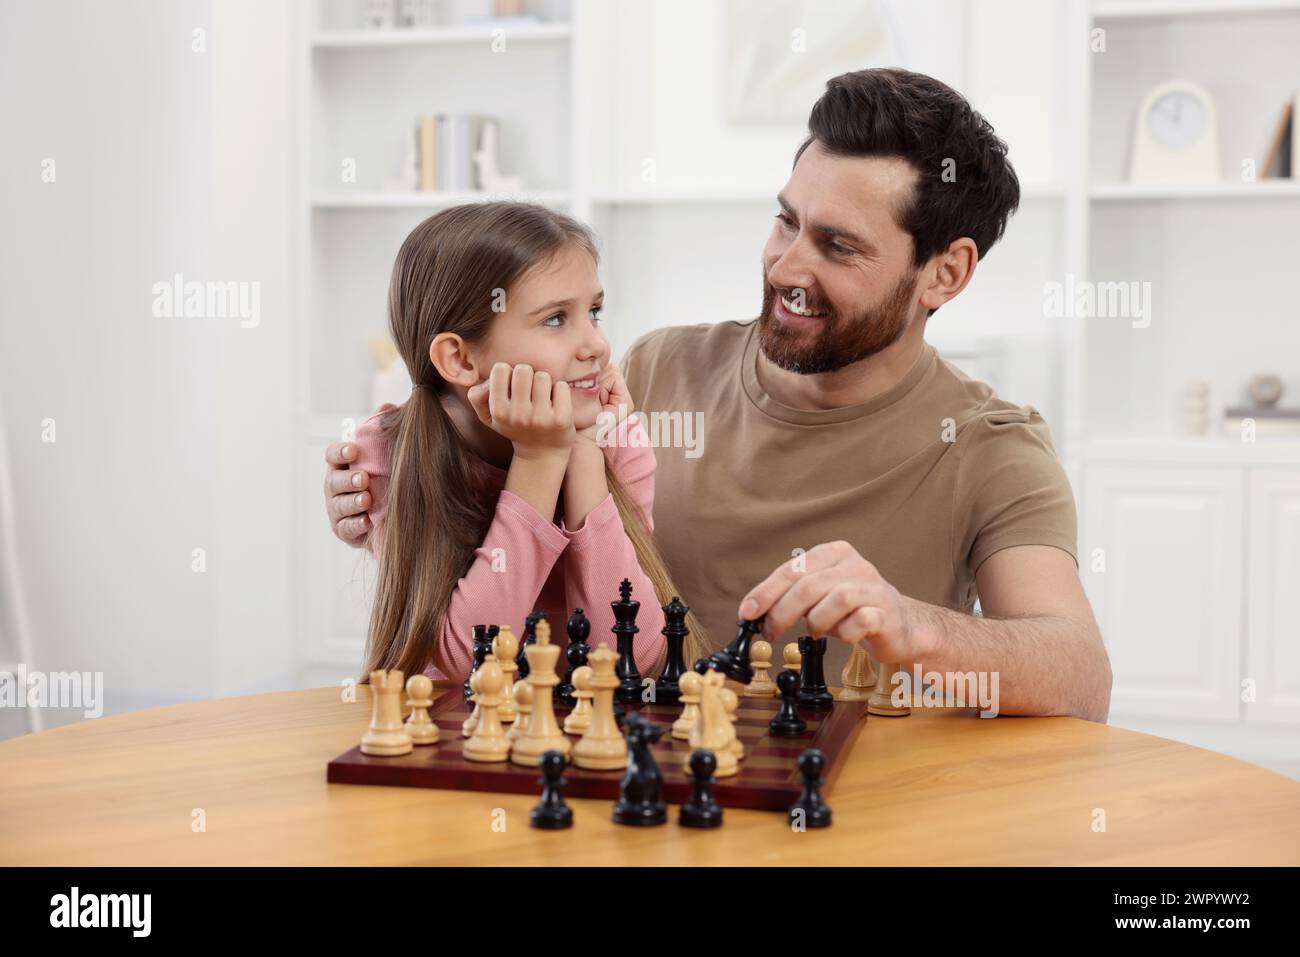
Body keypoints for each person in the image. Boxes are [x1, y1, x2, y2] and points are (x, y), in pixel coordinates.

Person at [329, 69, 1112, 721]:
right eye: (786, 222)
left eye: (837, 245)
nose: (785, 267)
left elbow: (1080, 678)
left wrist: (913, 625)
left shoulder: (990, 445)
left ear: (945, 272)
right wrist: (386, 491)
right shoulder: (656, 367)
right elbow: (495, 545)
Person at [353, 201, 707, 683]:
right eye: (556, 319)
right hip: (460, 738)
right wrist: (539, 460)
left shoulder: (617, 439)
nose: (597, 345)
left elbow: (632, 656)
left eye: (595, 312)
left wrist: (582, 450)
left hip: (583, 734)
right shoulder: (385, 454)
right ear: (458, 359)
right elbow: (465, 663)